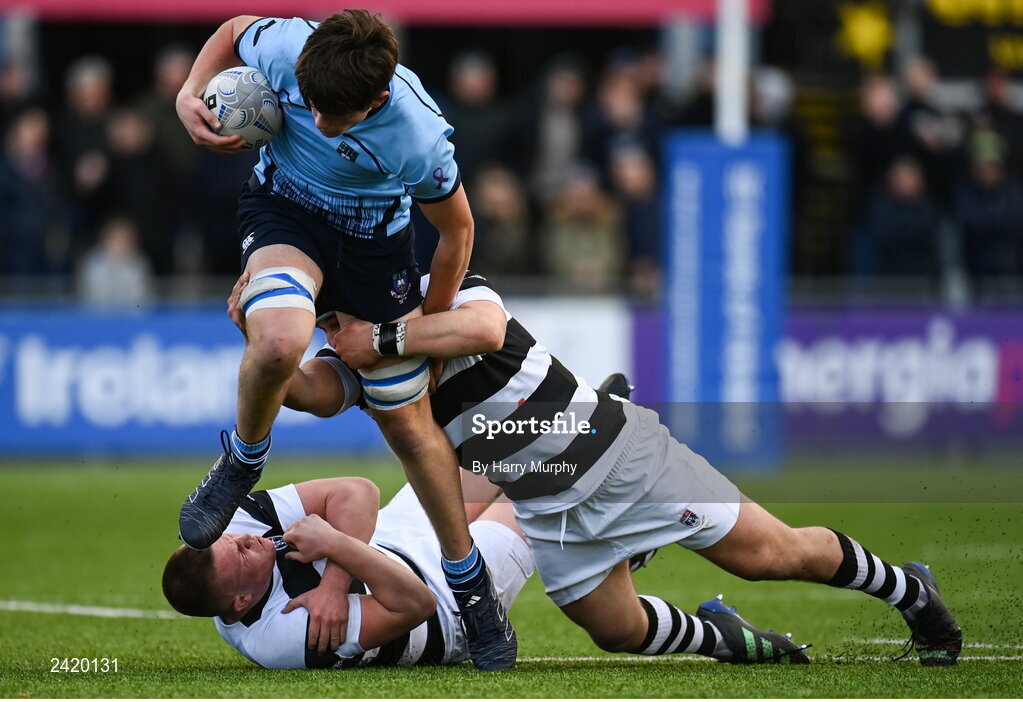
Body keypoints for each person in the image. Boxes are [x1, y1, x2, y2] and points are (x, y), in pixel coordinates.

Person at [253, 270, 962, 667]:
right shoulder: (359, 362)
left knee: (772, 556)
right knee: (617, 630)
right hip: (546, 507)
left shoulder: (445, 291)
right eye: (325, 323)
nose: (333, 332)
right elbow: (310, 392)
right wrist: (265, 341)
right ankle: (729, 637)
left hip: (616, 458)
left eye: (335, 318)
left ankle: (910, 591)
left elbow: (487, 330)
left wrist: (381, 337)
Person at [174, 10, 513, 669]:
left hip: (373, 253)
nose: (317, 121)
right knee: (278, 342)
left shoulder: (417, 134)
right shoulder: (290, 47)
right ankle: (244, 457)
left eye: (335, 115)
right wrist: (189, 92)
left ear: (377, 100)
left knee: (409, 428)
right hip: (284, 212)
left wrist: (423, 332)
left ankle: (469, 582)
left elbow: (458, 233)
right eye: (311, 104)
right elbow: (235, 27)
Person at [163, 473, 533, 669]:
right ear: (242, 600)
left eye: (233, 538)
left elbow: (358, 491)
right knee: (540, 494)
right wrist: (335, 543)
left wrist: (334, 585)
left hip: (391, 536)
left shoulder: (231, 531)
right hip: (447, 609)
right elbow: (417, 604)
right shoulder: (280, 635)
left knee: (492, 440)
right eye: (242, 554)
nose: (246, 539)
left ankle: (571, 395)